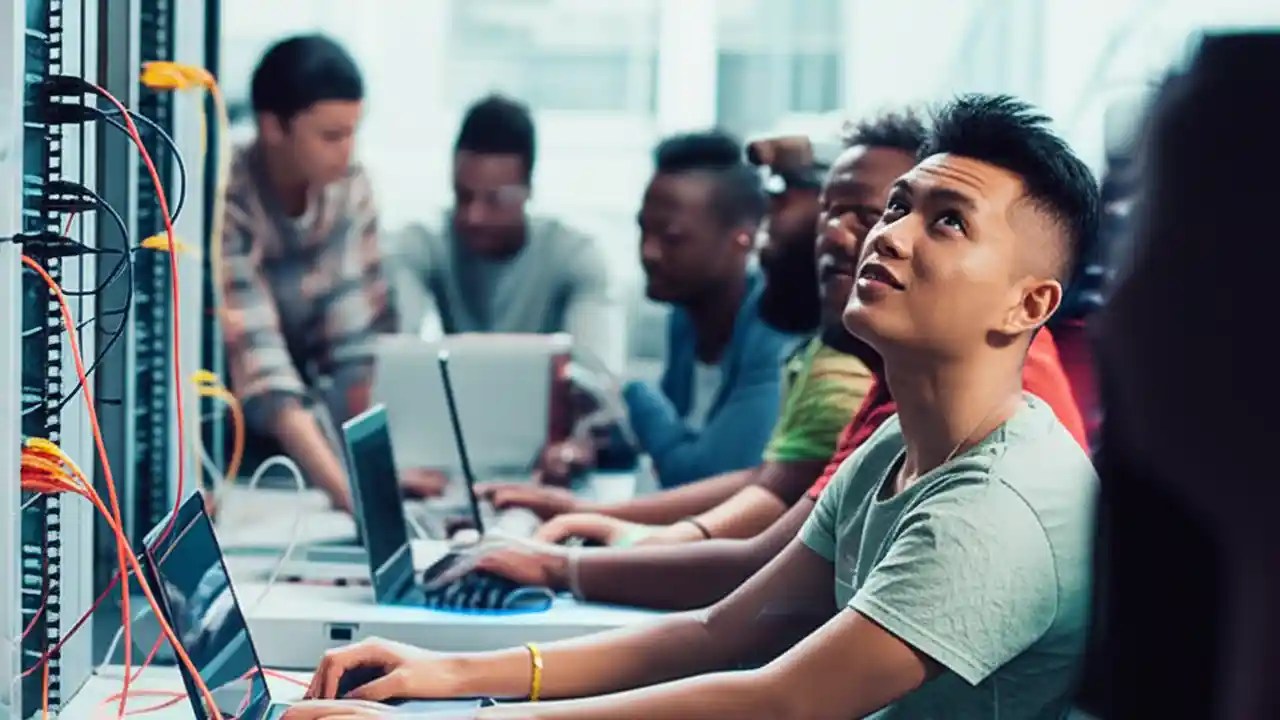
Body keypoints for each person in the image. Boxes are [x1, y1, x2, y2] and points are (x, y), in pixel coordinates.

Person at [284, 93, 1100, 719]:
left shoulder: (993, 508)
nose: (887, 235)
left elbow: (778, 701)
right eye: (899, 206)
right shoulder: (895, 447)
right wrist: (449, 672)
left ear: (1028, 305)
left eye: (947, 222)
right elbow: (722, 631)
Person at [479, 112, 927, 545]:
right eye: (828, 211)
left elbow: (744, 498)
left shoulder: (829, 370)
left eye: (865, 216)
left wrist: (627, 398)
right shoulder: (698, 325)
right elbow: (769, 503)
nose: (831, 234)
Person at [221, 35, 399, 512]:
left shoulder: (351, 188)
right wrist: (351, 498)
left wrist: (376, 476)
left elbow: (355, 352)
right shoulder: (227, 194)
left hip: (320, 442)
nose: (347, 151)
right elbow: (263, 371)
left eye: (352, 132)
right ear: (273, 127)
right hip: (239, 447)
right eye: (331, 136)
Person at [390, 95, 627, 376]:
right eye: (463, 196)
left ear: (529, 190)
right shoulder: (425, 243)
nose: (474, 215)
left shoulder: (574, 255)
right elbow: (397, 351)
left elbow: (597, 375)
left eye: (495, 200)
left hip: (545, 413)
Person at [616, 129, 799, 487]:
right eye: (644, 230)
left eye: (671, 237)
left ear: (741, 239)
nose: (648, 252)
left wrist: (630, 391)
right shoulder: (684, 317)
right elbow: (676, 439)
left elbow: (704, 474)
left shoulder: (775, 332)